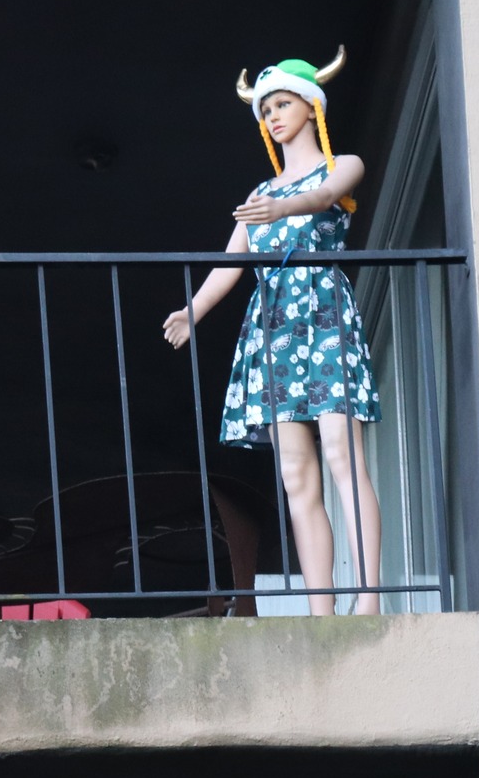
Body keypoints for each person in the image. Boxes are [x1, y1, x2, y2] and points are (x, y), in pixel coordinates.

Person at [162, 49, 383, 616]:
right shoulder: (262, 193)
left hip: (325, 313)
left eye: (282, 104)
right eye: (266, 110)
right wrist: (193, 310)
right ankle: (320, 610)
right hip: (275, 325)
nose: (273, 117)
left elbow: (325, 198)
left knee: (342, 454)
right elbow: (229, 264)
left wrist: (282, 209)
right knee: (295, 473)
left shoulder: (342, 164)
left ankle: (368, 598)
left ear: (311, 106)